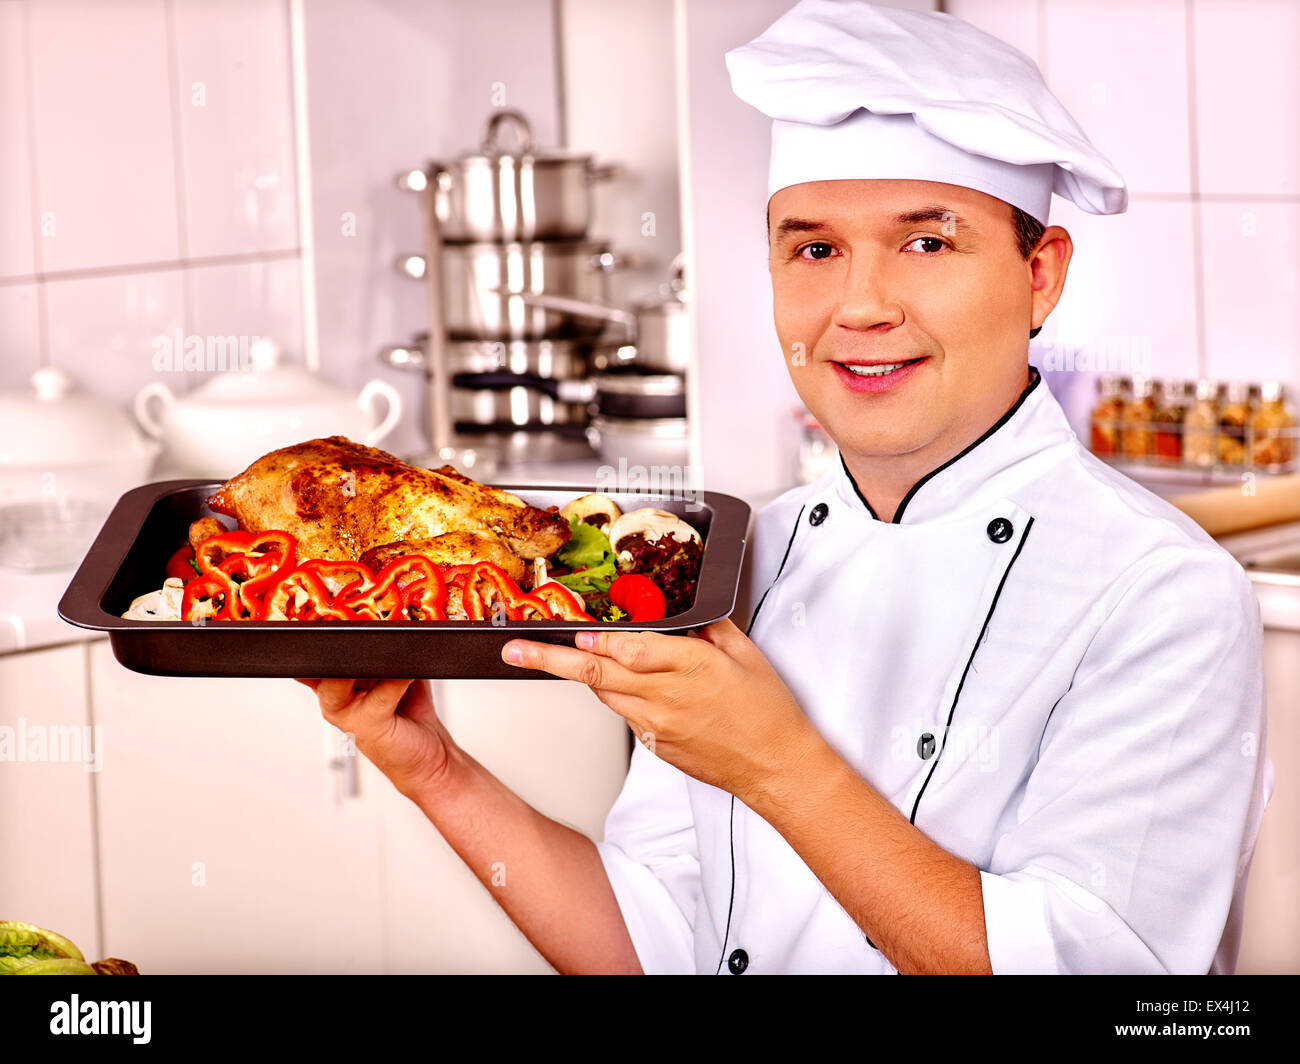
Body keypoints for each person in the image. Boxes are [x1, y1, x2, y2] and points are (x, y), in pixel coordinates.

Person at [299, 0, 1272, 975]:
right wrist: (434, 769)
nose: (858, 305)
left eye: (926, 243)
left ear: (1040, 275)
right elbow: (650, 940)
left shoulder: (1159, 594)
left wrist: (771, 760)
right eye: (813, 248)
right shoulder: (736, 558)